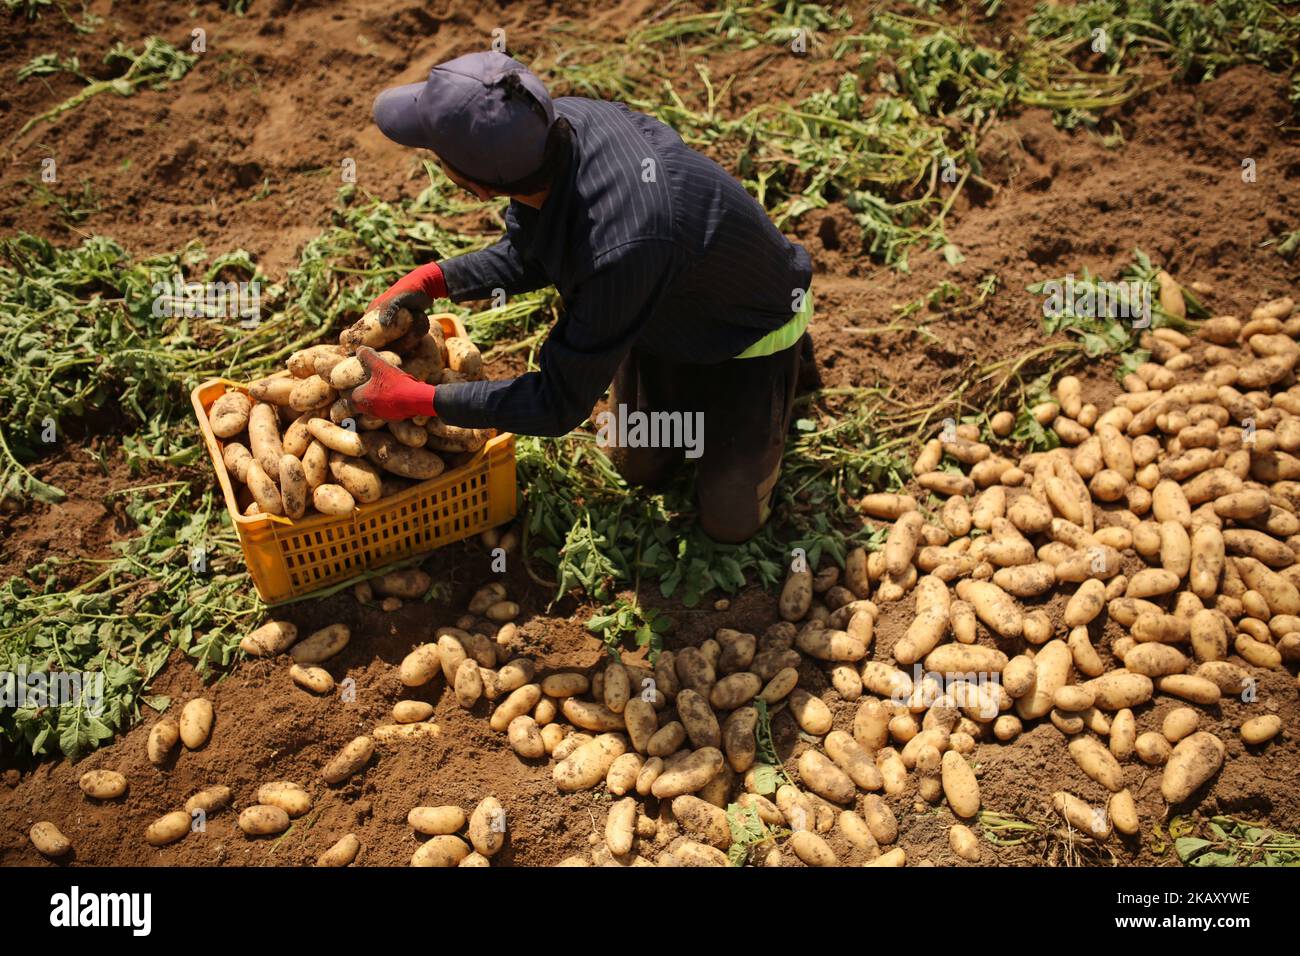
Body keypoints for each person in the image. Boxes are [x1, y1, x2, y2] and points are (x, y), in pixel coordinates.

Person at [351, 51, 814, 543]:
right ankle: (695, 393)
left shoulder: (620, 250)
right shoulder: (548, 130)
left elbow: (557, 405)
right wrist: (437, 279)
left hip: (750, 324)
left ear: (474, 186)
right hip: (657, 307)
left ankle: (782, 385)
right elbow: (535, 250)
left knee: (729, 520)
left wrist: (424, 400)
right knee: (638, 463)